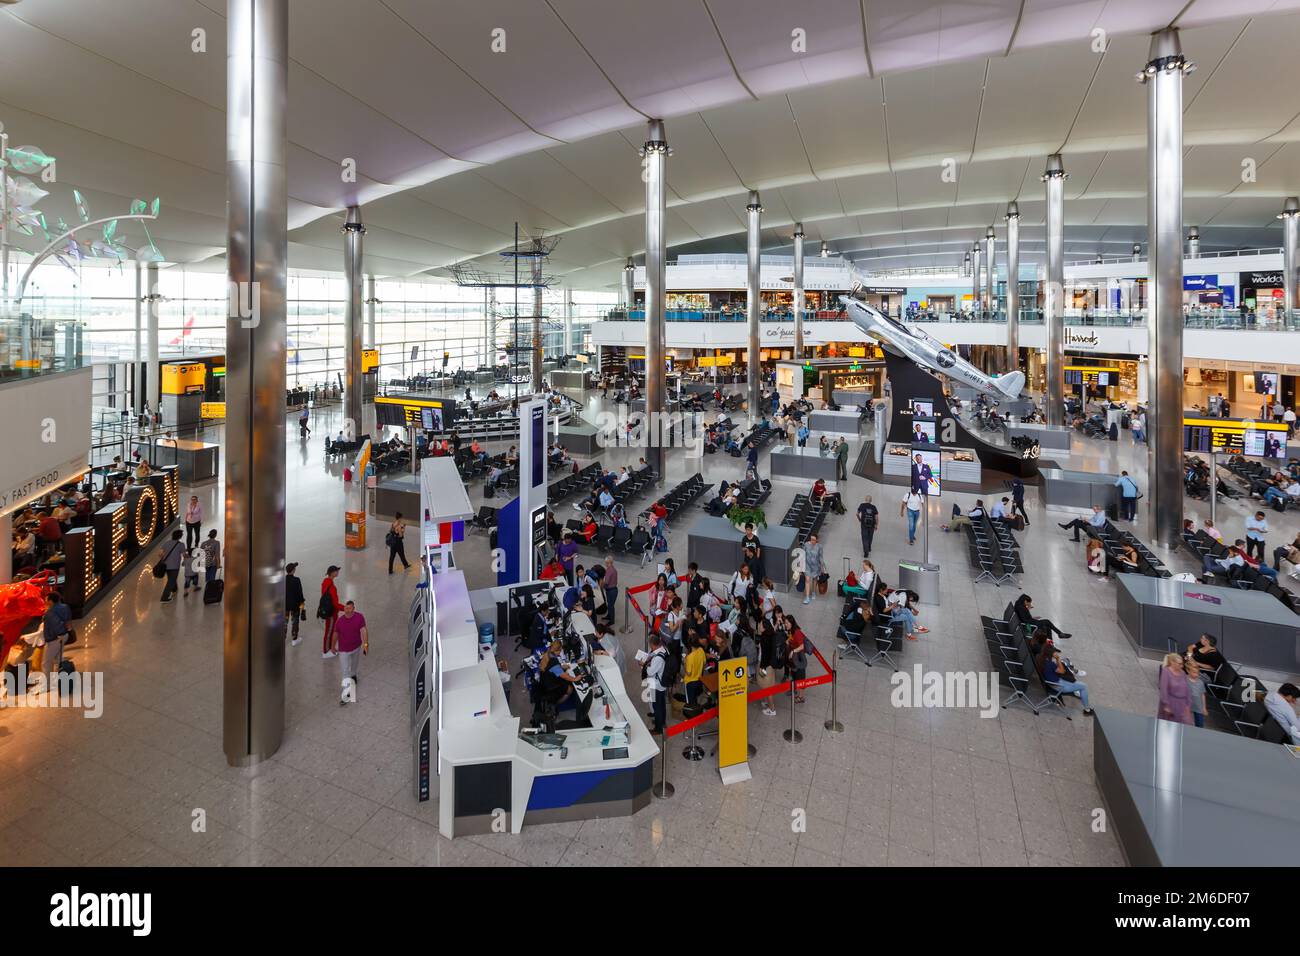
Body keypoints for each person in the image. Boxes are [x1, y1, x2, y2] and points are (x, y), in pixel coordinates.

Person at [333, 601, 369, 705]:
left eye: (349, 608)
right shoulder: (340, 621)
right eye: (345, 609)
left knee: (354, 664)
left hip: (356, 647)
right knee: (345, 672)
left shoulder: (359, 617)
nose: (347, 611)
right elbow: (335, 633)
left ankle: (353, 675)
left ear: (354, 608)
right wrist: (332, 646)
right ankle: (346, 695)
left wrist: (365, 645)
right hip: (343, 650)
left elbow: (364, 631)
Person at [1040, 645, 1093, 716]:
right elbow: (1062, 671)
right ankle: (1087, 710)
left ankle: (1075, 682)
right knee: (1084, 686)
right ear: (1051, 653)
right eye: (1054, 651)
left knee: (1066, 665)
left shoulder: (1040, 658)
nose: (1055, 653)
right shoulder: (1050, 664)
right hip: (1059, 686)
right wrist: (1058, 658)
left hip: (1051, 682)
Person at [38, 592, 71, 683]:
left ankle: (47, 684)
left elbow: (55, 625)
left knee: (46, 663)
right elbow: (68, 621)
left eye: (46, 600)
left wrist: (59, 635)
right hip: (64, 636)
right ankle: (60, 680)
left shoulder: (50, 612)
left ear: (51, 601)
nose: (45, 602)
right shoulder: (65, 607)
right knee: (58, 659)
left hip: (54, 639)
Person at [643, 632, 669, 734]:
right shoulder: (663, 649)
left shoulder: (658, 658)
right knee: (661, 704)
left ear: (652, 645)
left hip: (657, 684)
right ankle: (662, 722)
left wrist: (644, 665)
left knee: (657, 706)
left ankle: (658, 729)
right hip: (662, 682)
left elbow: (650, 672)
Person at [1157, 653, 1193, 725]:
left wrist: (1188, 704)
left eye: (1182, 664)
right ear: (1172, 662)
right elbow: (1163, 689)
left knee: (1186, 723)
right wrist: (1166, 705)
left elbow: (1187, 689)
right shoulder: (1166, 671)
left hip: (1182, 704)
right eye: (1179, 664)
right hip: (1171, 702)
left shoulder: (1182, 673)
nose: (1181, 666)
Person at [784, 615, 808, 703]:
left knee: (800, 677)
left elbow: (802, 646)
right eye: (785, 623)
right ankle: (794, 689)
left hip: (799, 658)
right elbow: (791, 639)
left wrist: (793, 651)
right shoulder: (790, 631)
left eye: (787, 623)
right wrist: (788, 641)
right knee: (794, 674)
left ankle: (801, 697)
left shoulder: (797, 632)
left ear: (792, 623)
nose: (785, 625)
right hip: (794, 658)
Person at [319, 565, 341, 658]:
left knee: (331, 630)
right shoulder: (331, 587)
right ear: (332, 573)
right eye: (336, 571)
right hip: (331, 613)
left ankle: (331, 647)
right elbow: (335, 603)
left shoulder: (325, 582)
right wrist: (346, 608)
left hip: (327, 610)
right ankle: (326, 651)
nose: (338, 572)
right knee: (329, 631)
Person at [157, 529, 185, 603]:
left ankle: (174, 589)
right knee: (171, 581)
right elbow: (184, 555)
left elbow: (160, 554)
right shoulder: (181, 545)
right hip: (175, 566)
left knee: (171, 578)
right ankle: (164, 597)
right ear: (179, 537)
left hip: (166, 565)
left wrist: (163, 559)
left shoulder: (166, 543)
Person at [801, 532, 824, 606]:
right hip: (807, 566)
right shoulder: (806, 544)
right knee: (807, 580)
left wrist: (822, 566)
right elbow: (802, 554)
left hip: (816, 566)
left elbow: (820, 557)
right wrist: (800, 565)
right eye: (811, 539)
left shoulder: (819, 546)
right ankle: (807, 597)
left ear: (817, 540)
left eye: (814, 540)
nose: (812, 541)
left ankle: (813, 592)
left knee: (814, 580)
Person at [285, 562, 305, 645]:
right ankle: (294, 639)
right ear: (293, 570)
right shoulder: (296, 580)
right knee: (295, 621)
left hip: (285, 606)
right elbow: (300, 594)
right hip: (295, 606)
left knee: (284, 622)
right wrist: (302, 605)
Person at [1185, 661, 1208, 728]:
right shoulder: (1184, 679)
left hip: (1198, 706)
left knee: (1200, 724)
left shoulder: (1200, 682)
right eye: (1194, 672)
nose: (1196, 675)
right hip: (1186, 705)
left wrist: (1204, 708)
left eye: (1198, 673)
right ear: (1188, 671)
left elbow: (1202, 695)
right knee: (1185, 722)